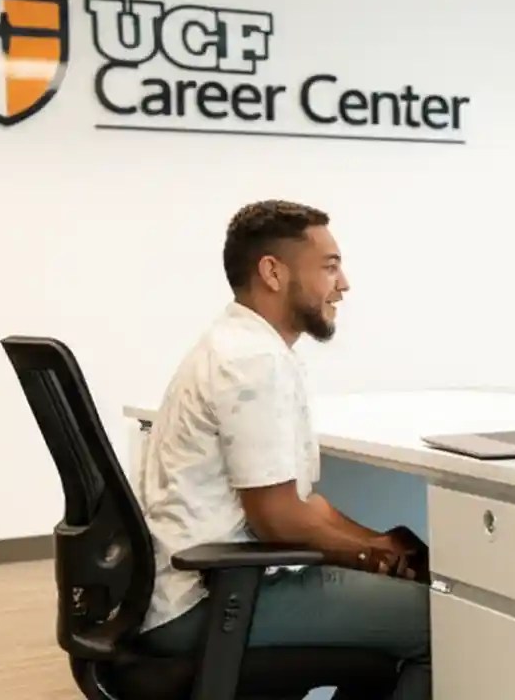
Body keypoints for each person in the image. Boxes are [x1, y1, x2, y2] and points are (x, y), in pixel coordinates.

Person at [136, 200, 431, 699]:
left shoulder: (237, 345)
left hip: (196, 588)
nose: (344, 285)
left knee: (405, 589)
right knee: (450, 621)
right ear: (273, 272)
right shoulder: (253, 360)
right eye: (330, 267)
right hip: (211, 601)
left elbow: (297, 506)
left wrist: (378, 543)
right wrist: (372, 551)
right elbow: (279, 519)